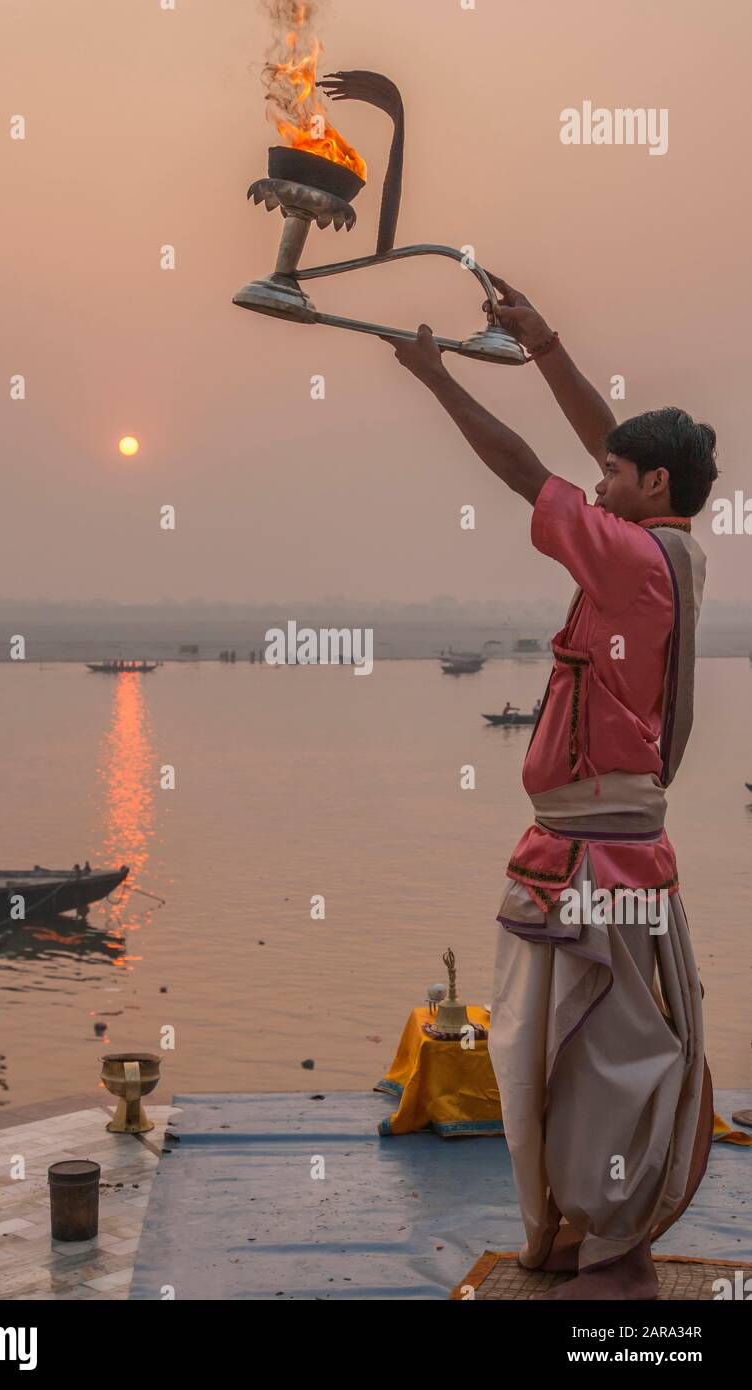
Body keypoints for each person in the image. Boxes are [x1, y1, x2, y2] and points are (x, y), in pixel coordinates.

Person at [382, 273, 717, 1301]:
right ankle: (578, 1230)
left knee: (597, 1058)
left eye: (613, 473)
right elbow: (598, 451)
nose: (597, 479)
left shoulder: (629, 561)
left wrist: (435, 378)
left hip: (593, 858)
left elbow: (527, 468)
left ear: (648, 488)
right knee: (560, 1050)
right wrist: (546, 347)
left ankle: (612, 1257)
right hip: (580, 848)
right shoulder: (669, 547)